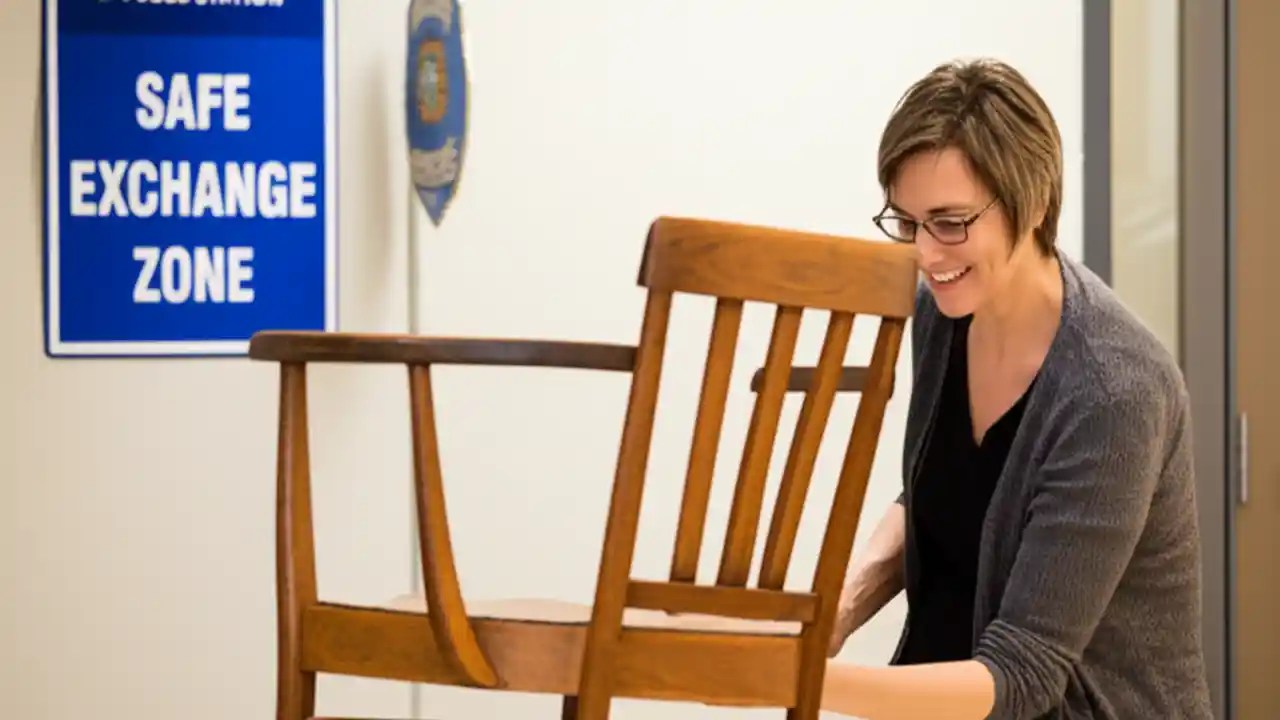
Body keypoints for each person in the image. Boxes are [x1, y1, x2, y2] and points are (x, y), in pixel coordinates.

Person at [817, 58, 1214, 719]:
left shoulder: (1114, 392)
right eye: (907, 222)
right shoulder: (941, 311)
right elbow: (943, 491)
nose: (924, 253)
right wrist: (840, 605)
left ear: (1029, 202)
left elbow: (1025, 674)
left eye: (949, 222)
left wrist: (800, 680)